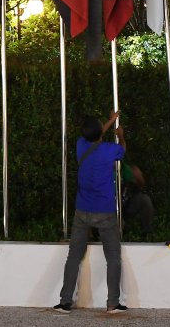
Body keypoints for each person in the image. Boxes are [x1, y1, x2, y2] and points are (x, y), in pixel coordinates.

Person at [54, 110, 127, 313]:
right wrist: (120, 133)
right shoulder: (109, 150)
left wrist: (109, 121)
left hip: (82, 210)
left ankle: (65, 301)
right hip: (105, 211)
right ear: (100, 134)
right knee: (112, 257)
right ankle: (113, 302)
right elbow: (122, 150)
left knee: (73, 257)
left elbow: (94, 136)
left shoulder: (81, 145)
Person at [120, 162, 154, 235]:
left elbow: (141, 182)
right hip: (111, 208)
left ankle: (147, 232)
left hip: (126, 207)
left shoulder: (126, 171)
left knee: (145, 200)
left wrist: (135, 177)